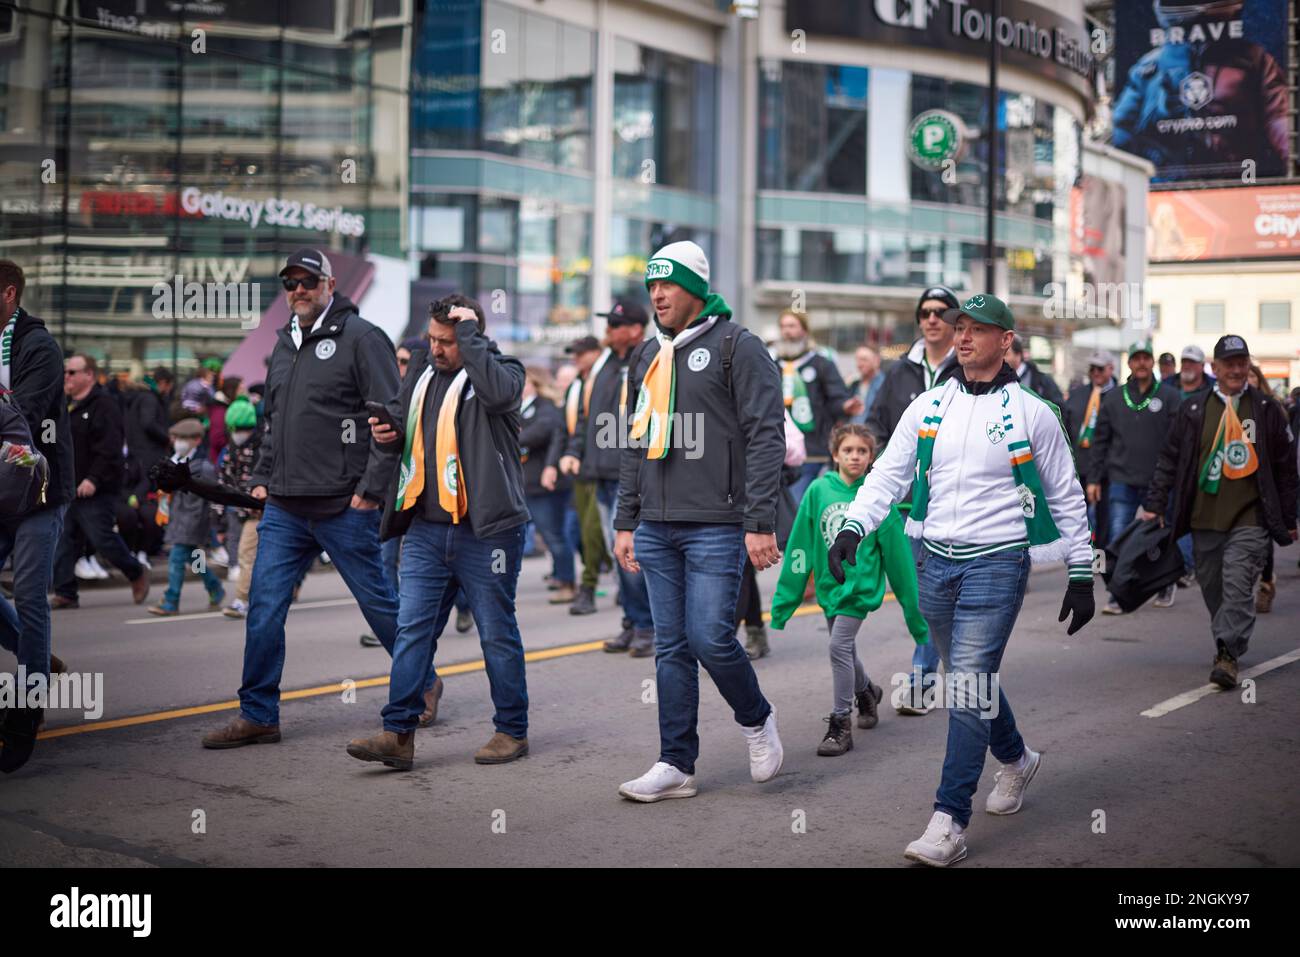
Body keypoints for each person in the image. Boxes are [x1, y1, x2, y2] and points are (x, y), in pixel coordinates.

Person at [828, 293, 1095, 866]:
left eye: (978, 328)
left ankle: (949, 819)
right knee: (971, 682)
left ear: (1006, 341)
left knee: (967, 687)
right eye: (960, 327)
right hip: (933, 562)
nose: (963, 335)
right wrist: (853, 527)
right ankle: (1019, 760)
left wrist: (1081, 571)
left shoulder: (1034, 413)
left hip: (997, 564)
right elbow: (887, 476)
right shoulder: (928, 405)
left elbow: (1067, 496)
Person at [201, 248, 435, 749]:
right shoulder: (285, 342)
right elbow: (275, 418)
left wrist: (371, 491)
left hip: (342, 507)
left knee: (380, 605)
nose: (298, 290)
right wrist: (263, 476)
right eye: (290, 283)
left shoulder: (362, 337)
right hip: (285, 505)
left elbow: (391, 421)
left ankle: (424, 681)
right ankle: (259, 714)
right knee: (263, 608)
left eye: (308, 281)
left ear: (329, 284)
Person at [614, 240, 786, 802]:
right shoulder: (647, 355)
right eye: (651, 286)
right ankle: (676, 763)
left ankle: (757, 718)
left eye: (668, 284)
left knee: (710, 637)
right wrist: (625, 520)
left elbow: (766, 436)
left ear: (696, 288)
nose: (657, 295)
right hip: (657, 527)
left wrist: (759, 520)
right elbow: (635, 441)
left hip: (718, 523)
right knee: (670, 647)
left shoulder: (740, 347)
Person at [346, 295, 531, 769]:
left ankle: (511, 730)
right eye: (431, 339)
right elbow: (401, 432)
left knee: (496, 632)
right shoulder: (421, 375)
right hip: (427, 528)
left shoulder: (502, 370)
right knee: (412, 633)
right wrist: (386, 434)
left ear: (471, 336)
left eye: (447, 341)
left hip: (486, 531)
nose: (436, 349)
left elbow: (499, 396)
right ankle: (398, 733)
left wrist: (471, 341)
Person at [1139, 334, 1297, 690]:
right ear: (1215, 368)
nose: (1237, 370)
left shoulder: (1266, 410)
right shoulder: (1193, 409)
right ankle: (1229, 639)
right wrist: (1153, 504)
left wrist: (1289, 517)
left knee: (1238, 585)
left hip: (1250, 518)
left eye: (1242, 363)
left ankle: (1227, 655)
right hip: (1203, 518)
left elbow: (1287, 468)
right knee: (1213, 590)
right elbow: (1169, 458)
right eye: (1229, 364)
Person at [770, 424, 929, 756]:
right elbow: (799, 544)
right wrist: (787, 598)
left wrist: (914, 614)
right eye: (848, 451)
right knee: (843, 649)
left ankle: (841, 722)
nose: (855, 457)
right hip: (830, 587)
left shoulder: (875, 498)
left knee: (838, 647)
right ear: (834, 455)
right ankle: (867, 690)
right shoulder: (817, 490)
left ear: (872, 458)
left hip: (858, 590)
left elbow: (899, 561)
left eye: (862, 451)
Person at [865, 284, 960, 715]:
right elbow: (875, 427)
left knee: (951, 594)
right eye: (925, 311)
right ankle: (927, 677)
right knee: (924, 596)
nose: (932, 318)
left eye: (941, 311)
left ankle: (945, 673)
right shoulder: (899, 372)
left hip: (961, 502)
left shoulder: (970, 364)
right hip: (910, 506)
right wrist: (887, 471)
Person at [0, 260, 75, 773]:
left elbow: (19, 413)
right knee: (28, 623)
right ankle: (37, 656)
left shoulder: (38, 347)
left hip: (40, 490)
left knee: (30, 596)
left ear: (8, 294)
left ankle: (26, 708)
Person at [560, 298, 655, 655]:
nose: (608, 331)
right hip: (600, 473)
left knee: (632, 555)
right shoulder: (603, 365)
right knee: (619, 556)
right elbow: (587, 417)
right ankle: (632, 623)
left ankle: (647, 626)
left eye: (615, 325)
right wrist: (573, 451)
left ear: (634, 329)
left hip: (629, 476)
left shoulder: (648, 357)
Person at [1087, 340, 1183, 613]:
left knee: (1160, 538)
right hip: (1121, 479)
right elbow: (1100, 442)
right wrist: (1093, 479)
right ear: (1128, 363)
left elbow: (1178, 442)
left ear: (1152, 362)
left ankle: (1164, 583)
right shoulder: (1114, 398)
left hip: (1160, 483)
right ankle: (1118, 594)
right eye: (1136, 358)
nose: (1141, 363)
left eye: (1146, 358)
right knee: (1118, 537)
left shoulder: (1170, 396)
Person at [51, 353, 151, 609]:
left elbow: (110, 449)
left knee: (102, 539)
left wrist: (93, 479)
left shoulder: (104, 405)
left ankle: (136, 572)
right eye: (66, 372)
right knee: (64, 540)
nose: (67, 377)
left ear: (89, 375)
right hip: (69, 486)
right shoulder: (66, 405)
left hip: (97, 488)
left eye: (72, 372)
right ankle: (66, 593)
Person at [774, 310, 861, 501]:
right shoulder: (772, 365)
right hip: (778, 450)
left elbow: (836, 396)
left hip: (812, 451)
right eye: (783, 327)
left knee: (796, 505)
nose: (786, 332)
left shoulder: (821, 364)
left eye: (792, 326)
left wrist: (846, 405)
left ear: (804, 331)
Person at [147, 419, 226, 615]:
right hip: (178, 519)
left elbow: (205, 499)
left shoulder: (202, 467)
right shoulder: (175, 460)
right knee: (194, 558)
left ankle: (171, 599)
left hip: (192, 521)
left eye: (184, 438)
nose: (178, 442)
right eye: (177, 438)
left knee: (176, 558)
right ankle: (214, 586)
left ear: (197, 440)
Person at [559, 335, 610, 616]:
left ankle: (588, 587)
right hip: (580, 468)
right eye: (574, 354)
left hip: (602, 467)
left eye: (581, 353)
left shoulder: (606, 379)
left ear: (596, 353)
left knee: (593, 531)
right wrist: (568, 454)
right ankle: (616, 577)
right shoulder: (576, 386)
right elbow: (572, 425)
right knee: (579, 530)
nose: (576, 358)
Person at [519, 368, 575, 603]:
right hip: (527, 482)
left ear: (535, 384)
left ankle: (567, 583)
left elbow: (540, 432)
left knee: (554, 535)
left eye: (525, 382)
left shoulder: (544, 407)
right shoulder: (521, 408)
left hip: (543, 483)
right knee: (547, 533)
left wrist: (513, 436)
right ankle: (559, 575)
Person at [1062, 352, 1117, 546]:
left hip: (1108, 471)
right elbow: (1065, 429)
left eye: (1100, 368)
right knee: (1078, 517)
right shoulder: (1078, 395)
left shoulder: (1119, 396)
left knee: (1106, 520)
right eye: (1092, 368)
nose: (1095, 373)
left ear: (1111, 368)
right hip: (1080, 467)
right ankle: (1082, 554)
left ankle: (1102, 555)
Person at [218, 397, 262, 619]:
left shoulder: (263, 448)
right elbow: (222, 486)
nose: (240, 433)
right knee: (249, 554)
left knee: (247, 554)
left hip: (262, 511)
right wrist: (218, 519)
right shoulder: (230, 452)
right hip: (244, 512)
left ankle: (243, 599)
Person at [1007, 336, 1064, 408]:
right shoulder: (998, 378)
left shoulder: (1042, 380)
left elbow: (1059, 409)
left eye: (1006, 354)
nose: (1002, 358)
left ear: (1018, 355)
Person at [847, 345, 884, 426]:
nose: (859, 364)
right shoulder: (854, 385)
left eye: (864, 359)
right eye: (857, 360)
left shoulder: (885, 386)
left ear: (877, 360)